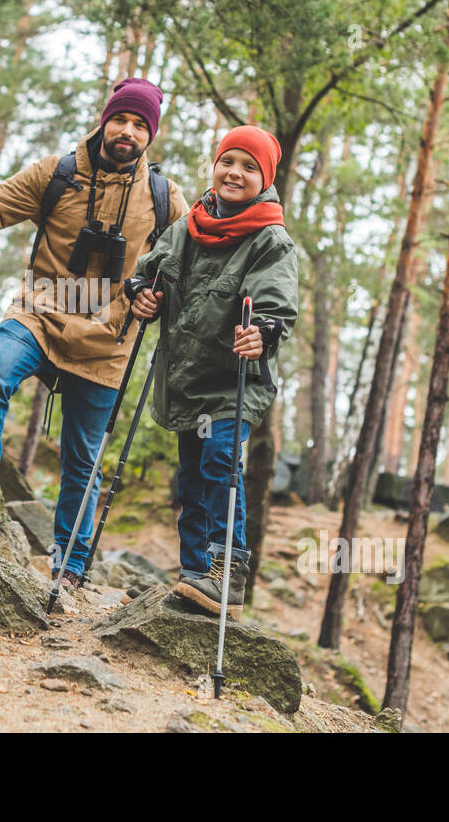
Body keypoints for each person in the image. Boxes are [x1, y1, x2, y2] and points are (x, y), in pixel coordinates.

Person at [0, 78, 187, 587]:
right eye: (121, 119)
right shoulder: (58, 172)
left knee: (84, 457)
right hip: (40, 311)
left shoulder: (164, 197)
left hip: (108, 336)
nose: (128, 131)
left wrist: (156, 297)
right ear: (104, 119)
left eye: (141, 125)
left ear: (150, 136)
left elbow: (188, 266)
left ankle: (69, 566)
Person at [126, 125, 299, 618]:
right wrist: (141, 290)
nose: (235, 173)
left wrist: (263, 329)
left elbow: (276, 299)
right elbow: (151, 269)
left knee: (220, 462)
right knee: (190, 479)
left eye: (249, 167)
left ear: (263, 178)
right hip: (187, 378)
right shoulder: (190, 226)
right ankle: (194, 574)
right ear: (215, 165)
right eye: (228, 161)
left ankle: (229, 573)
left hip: (235, 382)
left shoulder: (271, 240)